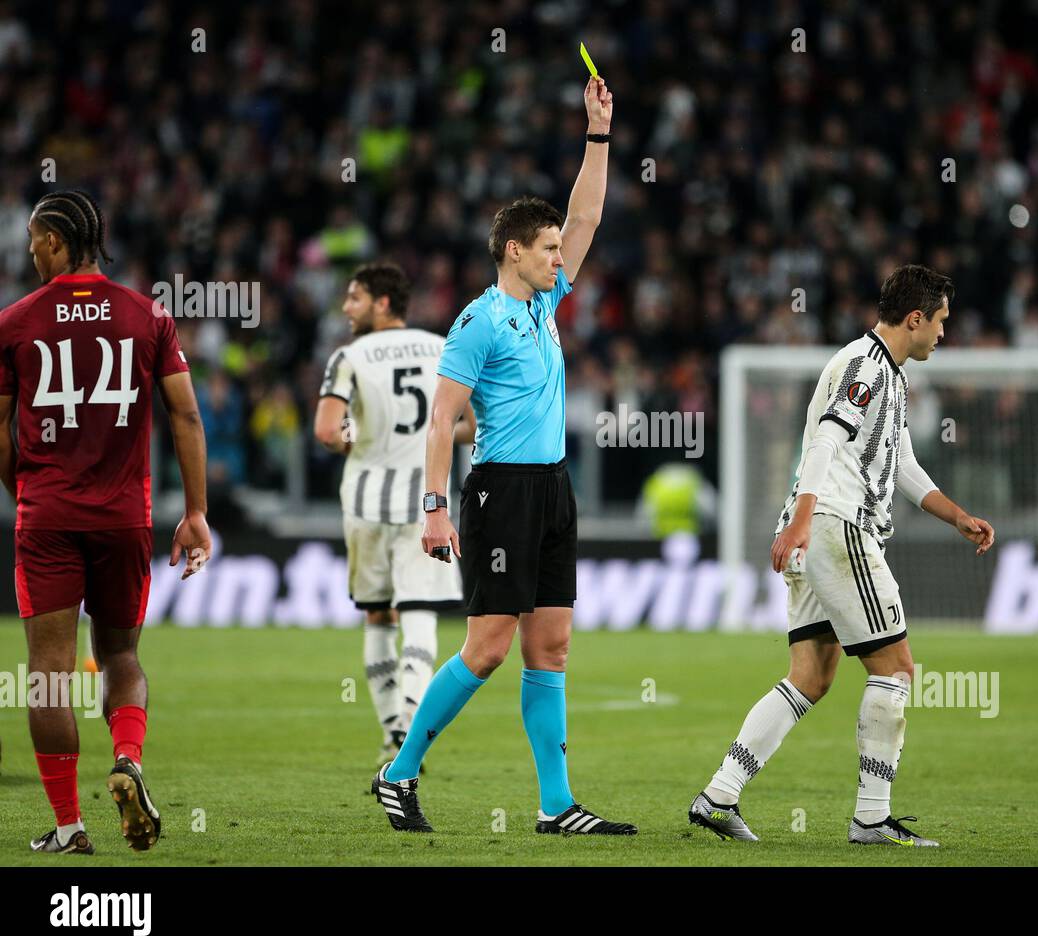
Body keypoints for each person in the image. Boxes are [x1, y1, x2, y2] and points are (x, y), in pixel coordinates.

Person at [371, 76, 636, 836]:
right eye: (549, 248)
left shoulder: (544, 301)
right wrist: (433, 508)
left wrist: (598, 132)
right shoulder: (477, 323)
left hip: (553, 489)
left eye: (561, 248)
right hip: (498, 494)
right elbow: (441, 419)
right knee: (487, 649)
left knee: (549, 645)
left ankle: (556, 806)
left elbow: (586, 213)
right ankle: (399, 771)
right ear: (514, 252)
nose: (563, 256)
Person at [689, 265, 995, 846]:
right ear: (915, 319)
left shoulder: (888, 374)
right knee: (897, 670)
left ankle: (719, 794)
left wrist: (957, 516)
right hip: (835, 526)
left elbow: (901, 466)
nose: (943, 333)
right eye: (941, 322)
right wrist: (805, 521)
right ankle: (871, 818)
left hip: (817, 529)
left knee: (809, 678)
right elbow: (827, 439)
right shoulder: (865, 367)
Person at [0, 189, 210, 854]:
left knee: (50, 673)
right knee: (119, 653)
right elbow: (186, 415)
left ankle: (69, 827)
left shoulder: (16, 321)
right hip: (124, 517)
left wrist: (27, 491)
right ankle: (128, 760)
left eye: (34, 238)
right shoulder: (148, 316)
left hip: (49, 518)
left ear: (56, 242)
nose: (28, 250)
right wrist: (197, 511)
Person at [314, 262, 473, 768]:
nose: (346, 308)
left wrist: (362, 440)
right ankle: (410, 728)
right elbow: (468, 423)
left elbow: (325, 431)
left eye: (354, 298)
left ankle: (389, 733)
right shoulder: (442, 347)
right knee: (420, 611)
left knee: (378, 615)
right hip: (426, 506)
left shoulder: (349, 355)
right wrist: (429, 439)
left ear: (383, 303)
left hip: (364, 502)